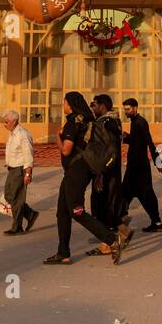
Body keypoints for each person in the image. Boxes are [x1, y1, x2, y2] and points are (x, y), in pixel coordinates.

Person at [44, 92, 128, 265]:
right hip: (83, 170)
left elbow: (66, 150)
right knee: (62, 212)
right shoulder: (88, 121)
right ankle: (63, 253)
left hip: (76, 171)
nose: (63, 105)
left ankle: (112, 239)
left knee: (77, 211)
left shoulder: (73, 122)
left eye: (65, 102)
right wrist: (97, 175)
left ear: (71, 104)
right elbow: (93, 150)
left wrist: (57, 138)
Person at [88, 93, 130, 249]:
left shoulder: (105, 123)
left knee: (102, 207)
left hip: (106, 172)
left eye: (94, 104)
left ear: (102, 106)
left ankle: (107, 244)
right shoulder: (113, 121)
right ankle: (124, 232)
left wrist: (100, 173)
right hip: (112, 170)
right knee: (109, 206)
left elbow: (108, 150)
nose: (93, 107)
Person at [120, 97, 162, 232]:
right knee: (136, 194)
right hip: (134, 164)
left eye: (128, 109)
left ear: (135, 108)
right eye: (125, 110)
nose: (126, 112)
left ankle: (120, 223)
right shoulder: (135, 122)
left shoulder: (140, 122)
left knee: (143, 194)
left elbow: (148, 142)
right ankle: (156, 223)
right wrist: (126, 137)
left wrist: (158, 162)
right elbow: (136, 141)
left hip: (139, 166)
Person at [1, 109, 38, 235]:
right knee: (8, 196)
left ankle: (17, 227)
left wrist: (28, 173)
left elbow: (29, 154)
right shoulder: (12, 134)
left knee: (16, 198)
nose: (4, 124)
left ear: (14, 121)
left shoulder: (23, 134)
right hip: (12, 169)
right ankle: (30, 213)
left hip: (20, 169)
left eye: (6, 122)